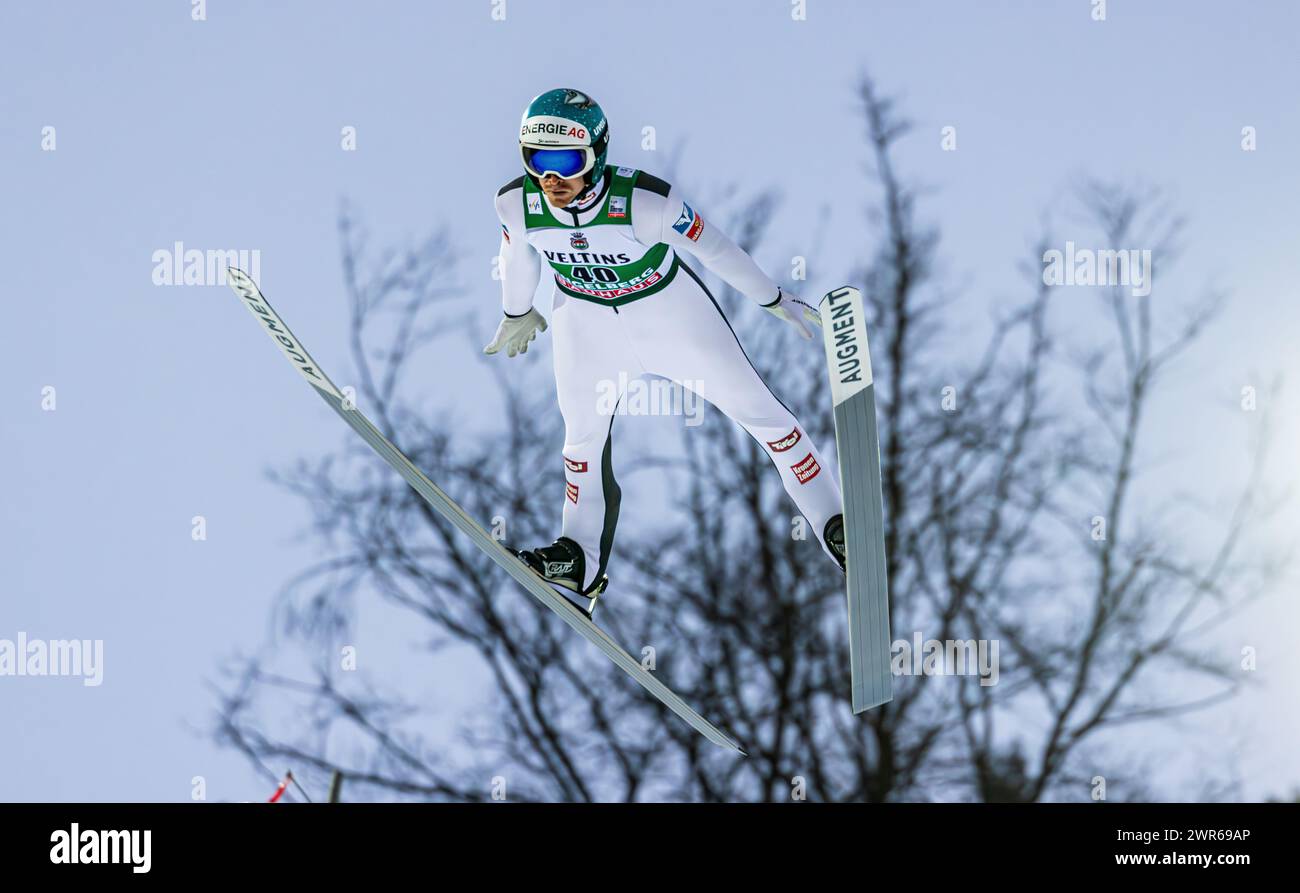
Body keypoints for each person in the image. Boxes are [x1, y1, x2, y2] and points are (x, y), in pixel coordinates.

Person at [485, 88, 846, 615]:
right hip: (585, 323)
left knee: (764, 416)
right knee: (580, 440)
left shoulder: (645, 202)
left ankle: (835, 522)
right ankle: (579, 559)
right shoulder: (515, 203)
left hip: (668, 315)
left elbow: (715, 247)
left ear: (597, 154)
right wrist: (517, 309)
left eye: (565, 160)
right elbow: (516, 255)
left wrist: (771, 296)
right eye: (537, 159)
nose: (550, 176)